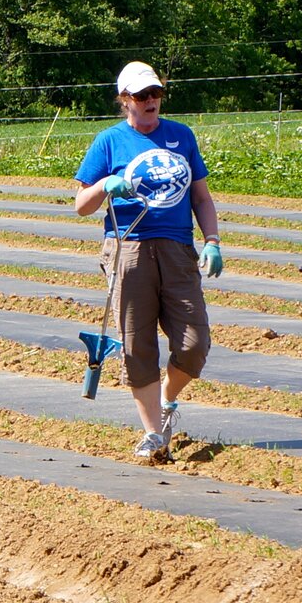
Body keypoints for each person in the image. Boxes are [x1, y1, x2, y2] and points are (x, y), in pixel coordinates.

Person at [72, 62, 224, 463]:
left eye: (155, 93)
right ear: (125, 100)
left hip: (177, 249)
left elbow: (202, 197)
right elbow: (81, 206)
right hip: (128, 248)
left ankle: (167, 400)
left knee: (194, 344)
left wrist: (211, 240)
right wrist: (105, 184)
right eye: (141, 96)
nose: (151, 100)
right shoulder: (109, 141)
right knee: (138, 346)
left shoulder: (181, 136)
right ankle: (154, 434)